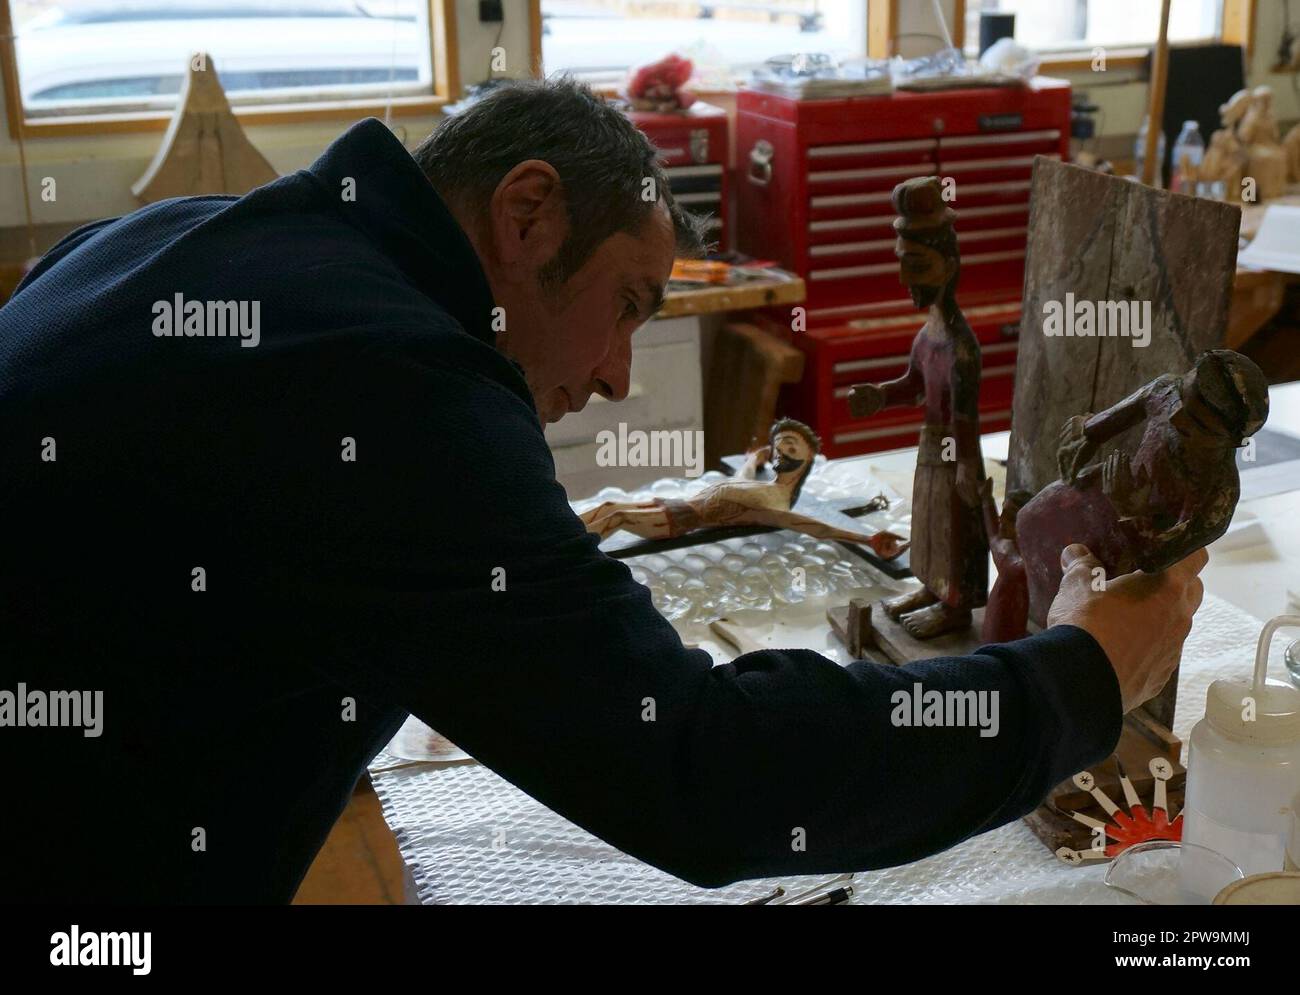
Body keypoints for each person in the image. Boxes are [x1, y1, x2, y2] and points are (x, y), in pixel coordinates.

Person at [0, 79, 1205, 903]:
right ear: (527, 213)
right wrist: (1077, 675)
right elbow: (705, 768)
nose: (621, 374)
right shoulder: (391, 382)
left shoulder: (182, 239)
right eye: (628, 303)